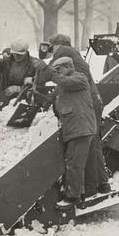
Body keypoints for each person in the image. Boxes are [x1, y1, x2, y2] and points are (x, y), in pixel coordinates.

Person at [37, 33, 110, 196]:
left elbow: (52, 72)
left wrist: (40, 69)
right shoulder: (74, 54)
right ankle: (102, 184)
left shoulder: (64, 51)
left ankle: (89, 188)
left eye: (52, 47)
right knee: (93, 144)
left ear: (57, 45)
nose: (51, 51)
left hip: (85, 104)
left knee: (85, 147)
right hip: (92, 100)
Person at [49, 56, 99, 209]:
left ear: (68, 66)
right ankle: (80, 195)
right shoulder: (63, 85)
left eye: (59, 70)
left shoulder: (79, 78)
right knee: (74, 162)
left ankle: (73, 197)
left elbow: (65, 82)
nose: (58, 74)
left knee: (74, 164)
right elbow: (50, 98)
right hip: (74, 128)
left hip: (80, 128)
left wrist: (49, 73)